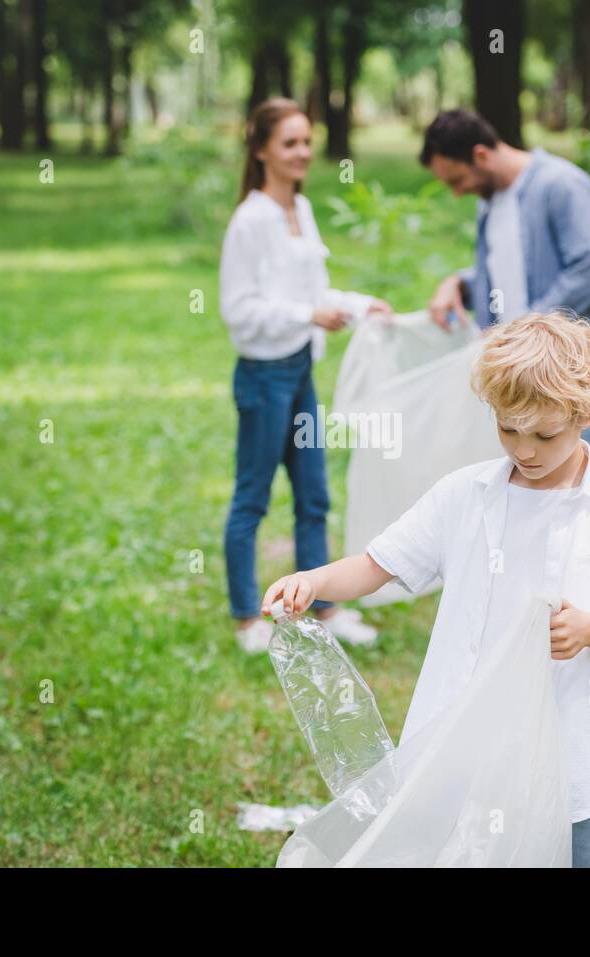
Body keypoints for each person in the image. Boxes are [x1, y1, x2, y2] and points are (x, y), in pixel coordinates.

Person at [261, 311, 590, 866]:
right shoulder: (463, 497)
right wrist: (314, 580)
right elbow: (378, 564)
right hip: (466, 752)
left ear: (588, 414)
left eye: (545, 434)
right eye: (508, 429)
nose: (525, 450)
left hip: (576, 756)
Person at [219, 97, 390, 654]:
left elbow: (315, 293)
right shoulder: (250, 220)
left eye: (307, 142)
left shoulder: (303, 210)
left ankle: (325, 605)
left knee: (314, 494)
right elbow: (238, 310)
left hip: (300, 375)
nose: (302, 153)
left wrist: (362, 304)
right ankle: (249, 619)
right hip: (264, 378)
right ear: (262, 148)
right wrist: (306, 316)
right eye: (289, 142)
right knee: (253, 497)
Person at [419, 109, 590, 470]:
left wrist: (521, 333)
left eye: (457, 180)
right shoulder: (491, 202)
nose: (457, 193)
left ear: (480, 155)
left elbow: (587, 271)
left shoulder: (563, 186)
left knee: (585, 475)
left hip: (570, 369)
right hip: (518, 370)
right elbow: (503, 271)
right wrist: (459, 283)